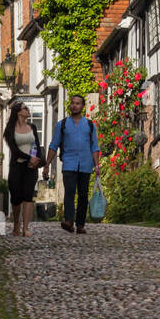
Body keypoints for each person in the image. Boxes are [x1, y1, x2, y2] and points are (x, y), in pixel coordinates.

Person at [46, 93, 100, 234]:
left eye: (77, 103)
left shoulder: (89, 125)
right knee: (69, 192)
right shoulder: (62, 125)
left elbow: (94, 147)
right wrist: (47, 165)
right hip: (69, 163)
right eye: (72, 103)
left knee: (83, 195)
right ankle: (69, 221)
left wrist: (97, 165)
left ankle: (80, 224)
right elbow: (53, 145)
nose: (74, 105)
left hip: (86, 164)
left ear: (82, 106)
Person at [3, 101, 43, 237]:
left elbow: (36, 145)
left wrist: (36, 159)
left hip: (31, 167)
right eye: (25, 108)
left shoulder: (32, 127)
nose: (27, 110)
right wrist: (28, 158)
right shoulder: (9, 130)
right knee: (16, 197)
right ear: (18, 112)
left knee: (28, 196)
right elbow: (14, 150)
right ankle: (16, 226)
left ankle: (26, 228)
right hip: (17, 166)